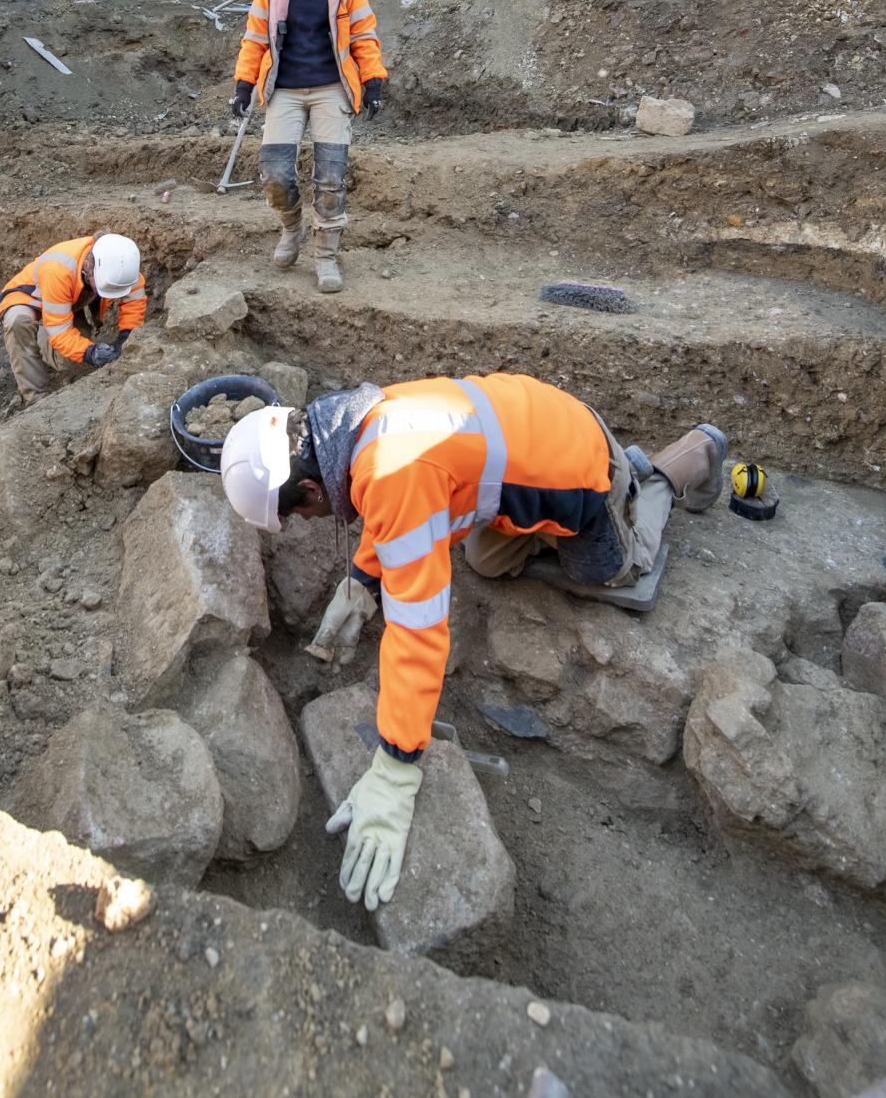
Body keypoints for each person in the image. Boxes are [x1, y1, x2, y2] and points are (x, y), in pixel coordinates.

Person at [220, 373, 726, 912]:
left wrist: (395, 768)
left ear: (312, 490)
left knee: (612, 567)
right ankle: (578, 494)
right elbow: (401, 500)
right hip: (534, 428)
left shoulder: (394, 473)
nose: (306, 521)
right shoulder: (352, 422)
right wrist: (364, 580)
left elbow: (417, 630)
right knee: (486, 560)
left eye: (298, 513)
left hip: (582, 465)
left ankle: (673, 466)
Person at [230, 0, 388, 295]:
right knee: (275, 173)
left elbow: (365, 34)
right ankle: (292, 228)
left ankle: (325, 255)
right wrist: (243, 85)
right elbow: (254, 37)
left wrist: (373, 81)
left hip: (330, 87)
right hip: (283, 89)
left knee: (331, 177)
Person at [0, 232, 146, 406]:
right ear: (88, 266)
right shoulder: (58, 270)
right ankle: (35, 395)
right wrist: (90, 353)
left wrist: (126, 338)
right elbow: (59, 330)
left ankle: (46, 338)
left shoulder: (121, 263)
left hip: (66, 299)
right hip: (31, 297)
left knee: (72, 356)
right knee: (18, 323)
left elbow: (135, 299)